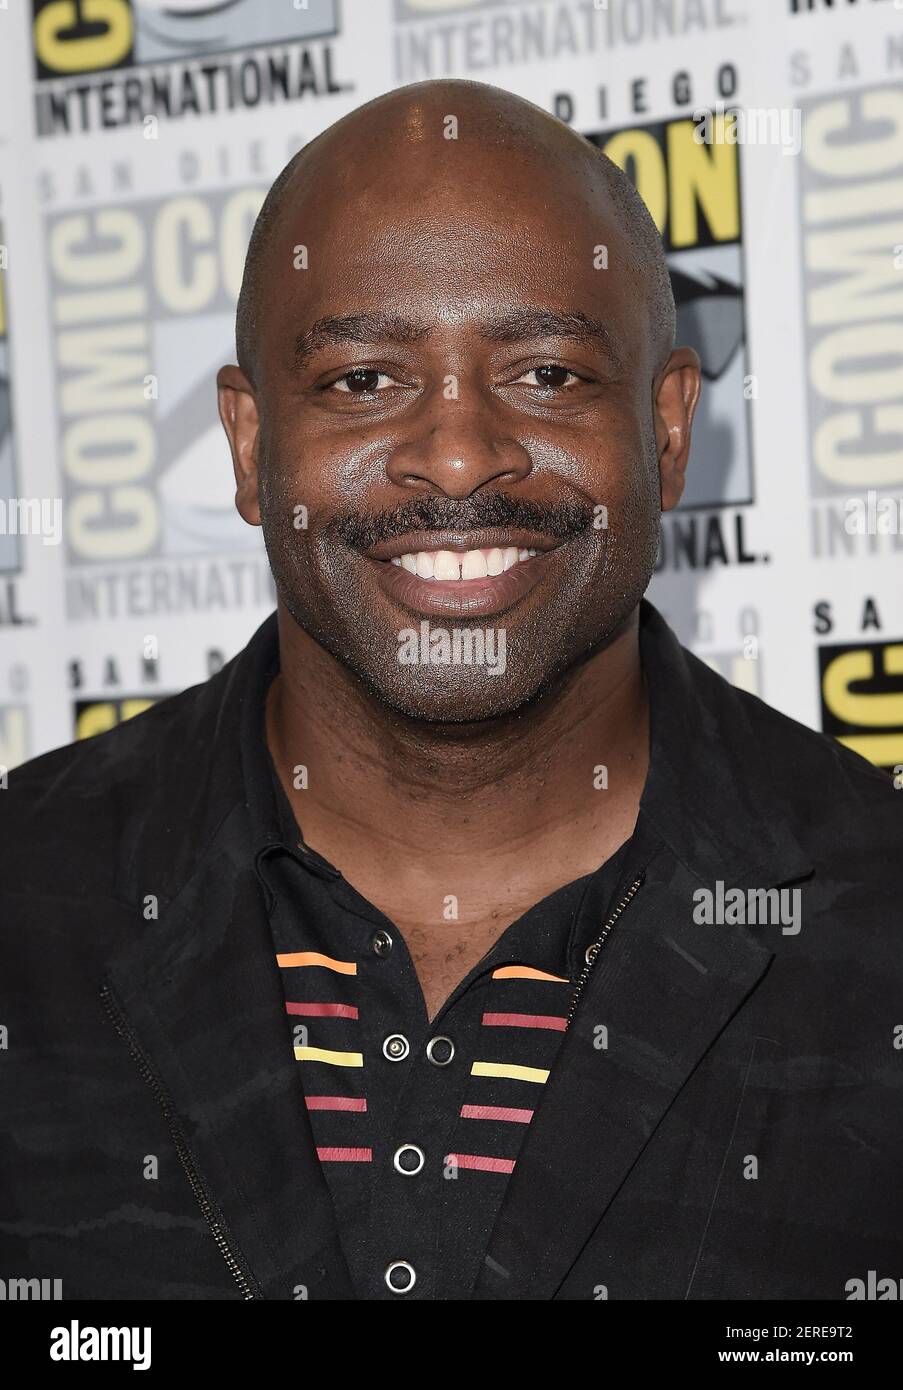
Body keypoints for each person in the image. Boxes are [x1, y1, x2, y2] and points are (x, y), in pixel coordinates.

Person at [1, 80, 900, 1302]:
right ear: (252, 446)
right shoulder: (28, 893)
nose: (462, 453)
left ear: (671, 430)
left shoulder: (873, 913)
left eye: (547, 373)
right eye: (365, 381)